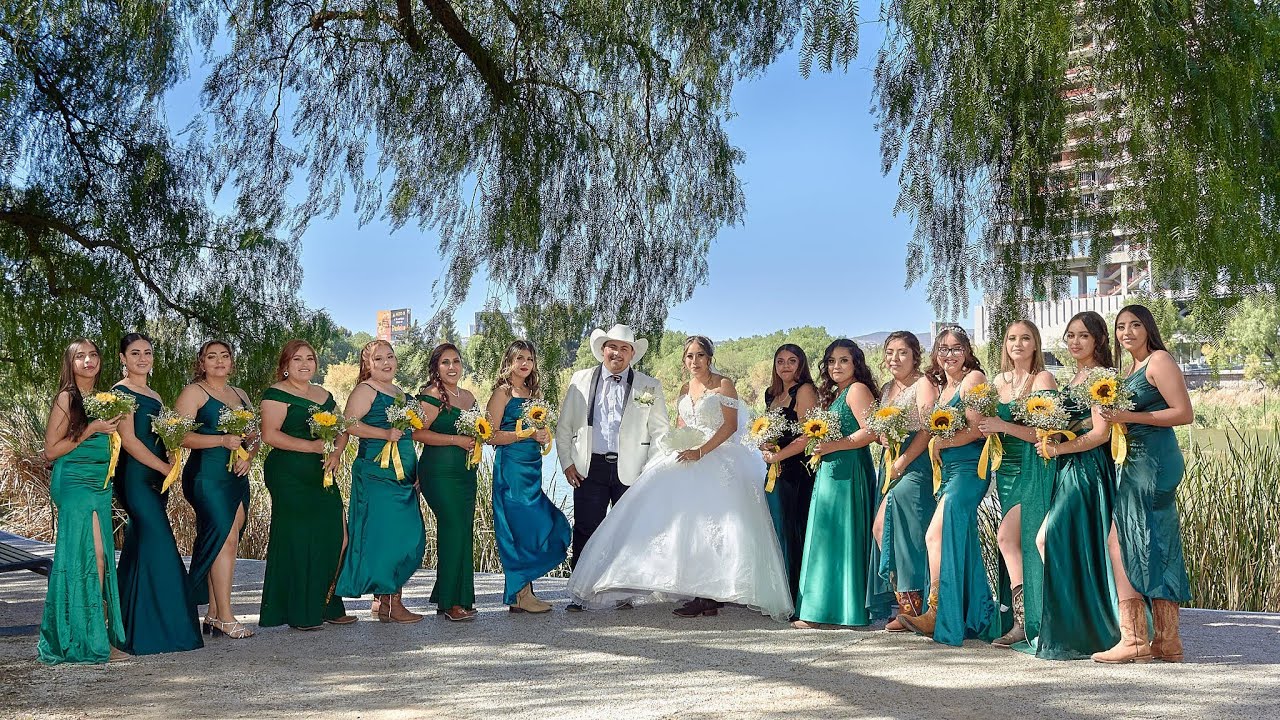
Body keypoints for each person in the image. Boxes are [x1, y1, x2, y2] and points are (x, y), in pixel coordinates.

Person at [567, 336, 792, 621]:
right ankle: (695, 590)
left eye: (699, 355)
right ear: (684, 361)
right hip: (689, 455)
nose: (694, 361)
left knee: (718, 527)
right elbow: (681, 425)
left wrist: (701, 451)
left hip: (719, 458)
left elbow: (730, 426)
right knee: (681, 524)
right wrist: (679, 446)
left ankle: (709, 594)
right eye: (689, 356)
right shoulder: (686, 388)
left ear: (709, 357)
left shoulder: (724, 384)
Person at [1092, 304, 1193, 663]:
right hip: (1135, 460)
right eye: (1121, 326)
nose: (1127, 332)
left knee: (1119, 539)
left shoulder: (1158, 361)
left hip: (1155, 462)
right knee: (1154, 539)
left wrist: (1127, 416)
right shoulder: (1129, 369)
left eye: (1135, 325)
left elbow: (1184, 412)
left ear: (1148, 328)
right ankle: (1165, 641)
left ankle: (1135, 640)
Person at [555, 324, 670, 611]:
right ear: (602, 349)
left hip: (632, 469)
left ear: (632, 354)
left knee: (627, 531)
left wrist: (649, 469)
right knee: (585, 528)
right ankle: (579, 593)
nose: (616, 353)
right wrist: (568, 463)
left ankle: (622, 594)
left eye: (623, 348)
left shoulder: (648, 385)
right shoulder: (580, 379)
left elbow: (660, 432)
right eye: (612, 347)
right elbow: (564, 427)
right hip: (588, 467)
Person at [898, 327, 995, 645]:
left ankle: (938, 612)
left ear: (967, 350)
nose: (948, 354)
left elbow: (979, 429)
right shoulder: (944, 387)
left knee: (934, 534)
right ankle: (959, 612)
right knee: (950, 538)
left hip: (969, 471)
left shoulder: (974, 379)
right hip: (950, 472)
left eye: (955, 348)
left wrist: (942, 441)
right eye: (942, 349)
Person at [1034, 311, 1121, 660]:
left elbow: (1101, 434)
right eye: (1070, 335)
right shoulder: (1075, 377)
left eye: (1083, 336)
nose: (1074, 342)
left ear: (1098, 339)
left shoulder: (1100, 377)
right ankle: (1077, 623)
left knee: (1048, 536)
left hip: (1087, 469)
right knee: (1069, 542)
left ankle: (1089, 626)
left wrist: (1059, 447)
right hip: (1069, 466)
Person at [37, 339, 127, 664]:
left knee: (93, 556)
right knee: (97, 556)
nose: (88, 361)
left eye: (93, 355)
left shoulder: (104, 399)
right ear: (71, 363)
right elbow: (51, 450)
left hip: (100, 484)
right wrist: (90, 430)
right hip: (74, 482)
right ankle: (89, 637)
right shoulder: (67, 397)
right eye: (80, 356)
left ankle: (89, 633)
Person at [113, 333, 203, 654]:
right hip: (135, 479)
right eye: (134, 353)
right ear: (122, 358)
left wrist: (172, 455)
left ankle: (124, 626)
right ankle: (163, 631)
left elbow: (161, 435)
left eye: (147, 352)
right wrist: (165, 468)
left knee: (140, 549)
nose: (142, 358)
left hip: (156, 482)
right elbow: (130, 441)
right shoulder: (119, 393)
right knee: (161, 545)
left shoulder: (154, 393)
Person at [259, 339, 355, 630]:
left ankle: (327, 602)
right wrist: (311, 447)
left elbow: (342, 429)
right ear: (285, 365)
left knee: (338, 536)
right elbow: (270, 436)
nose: (304, 364)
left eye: (309, 359)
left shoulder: (323, 394)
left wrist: (337, 451)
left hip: (321, 472)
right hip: (288, 472)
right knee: (300, 540)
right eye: (297, 359)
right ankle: (302, 613)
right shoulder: (275, 395)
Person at [975, 320, 1057, 648]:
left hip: (1034, 467)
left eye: (1025, 338)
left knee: (1007, 537)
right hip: (1005, 472)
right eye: (1012, 338)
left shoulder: (1043, 379)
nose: (1018, 344)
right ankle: (1026, 617)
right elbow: (986, 423)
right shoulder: (998, 382)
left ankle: (1027, 622)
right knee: (1017, 544)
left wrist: (1002, 426)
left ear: (1035, 344)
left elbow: (1047, 431)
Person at [792, 339, 883, 629]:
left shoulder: (857, 390)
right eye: (831, 361)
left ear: (856, 363)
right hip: (830, 470)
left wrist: (834, 445)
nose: (836, 366)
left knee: (843, 536)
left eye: (843, 360)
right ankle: (821, 609)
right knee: (826, 538)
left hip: (850, 470)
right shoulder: (836, 394)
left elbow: (872, 432)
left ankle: (844, 610)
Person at [336, 340, 426, 623]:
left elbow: (413, 433)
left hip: (404, 475)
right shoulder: (366, 390)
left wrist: (418, 469)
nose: (386, 362)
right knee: (390, 538)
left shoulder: (400, 393)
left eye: (390, 356)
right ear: (368, 364)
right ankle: (391, 603)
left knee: (409, 535)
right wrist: (384, 434)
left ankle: (382, 602)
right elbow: (347, 424)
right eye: (378, 358)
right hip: (376, 473)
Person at [176, 340, 258, 639]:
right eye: (212, 357)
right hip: (206, 475)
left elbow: (255, 435)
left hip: (236, 474)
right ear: (202, 362)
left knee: (227, 540)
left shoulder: (240, 394)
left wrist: (249, 454)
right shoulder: (194, 392)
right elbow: (179, 437)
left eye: (225, 356)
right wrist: (220, 441)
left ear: (232, 362)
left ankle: (213, 615)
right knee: (224, 540)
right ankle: (225, 615)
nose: (219, 361)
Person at [486, 340, 571, 614]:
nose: (524, 364)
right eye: (519, 358)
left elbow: (537, 429)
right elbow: (490, 435)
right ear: (509, 361)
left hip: (532, 469)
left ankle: (522, 592)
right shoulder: (502, 394)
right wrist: (525, 435)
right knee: (518, 528)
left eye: (530, 359)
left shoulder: (533, 394)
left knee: (543, 523)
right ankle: (521, 594)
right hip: (511, 470)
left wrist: (544, 434)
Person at [868, 331, 938, 632]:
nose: (894, 358)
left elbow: (927, 430)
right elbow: (879, 427)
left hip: (915, 464)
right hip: (891, 464)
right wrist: (883, 437)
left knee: (900, 530)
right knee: (886, 529)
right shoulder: (886, 389)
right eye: (890, 352)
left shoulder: (923, 384)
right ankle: (906, 604)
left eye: (902, 353)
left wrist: (902, 460)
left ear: (915, 356)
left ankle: (918, 606)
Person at [413, 343, 481, 621]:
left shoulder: (469, 397)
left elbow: (479, 430)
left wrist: (479, 438)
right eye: (445, 363)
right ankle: (452, 603)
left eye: (456, 361)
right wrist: (456, 440)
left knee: (462, 530)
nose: (452, 367)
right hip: (438, 472)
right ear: (436, 368)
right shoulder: (430, 397)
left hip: (466, 473)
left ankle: (454, 596)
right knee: (453, 526)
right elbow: (416, 434)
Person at [759, 344, 819, 605]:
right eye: (780, 361)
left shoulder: (804, 391)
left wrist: (778, 456)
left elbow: (808, 435)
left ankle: (798, 598)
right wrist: (764, 444)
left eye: (792, 361)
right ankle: (779, 593)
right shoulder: (771, 394)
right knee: (775, 529)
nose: (785, 366)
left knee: (793, 530)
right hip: (774, 469)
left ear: (801, 364)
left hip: (796, 471)